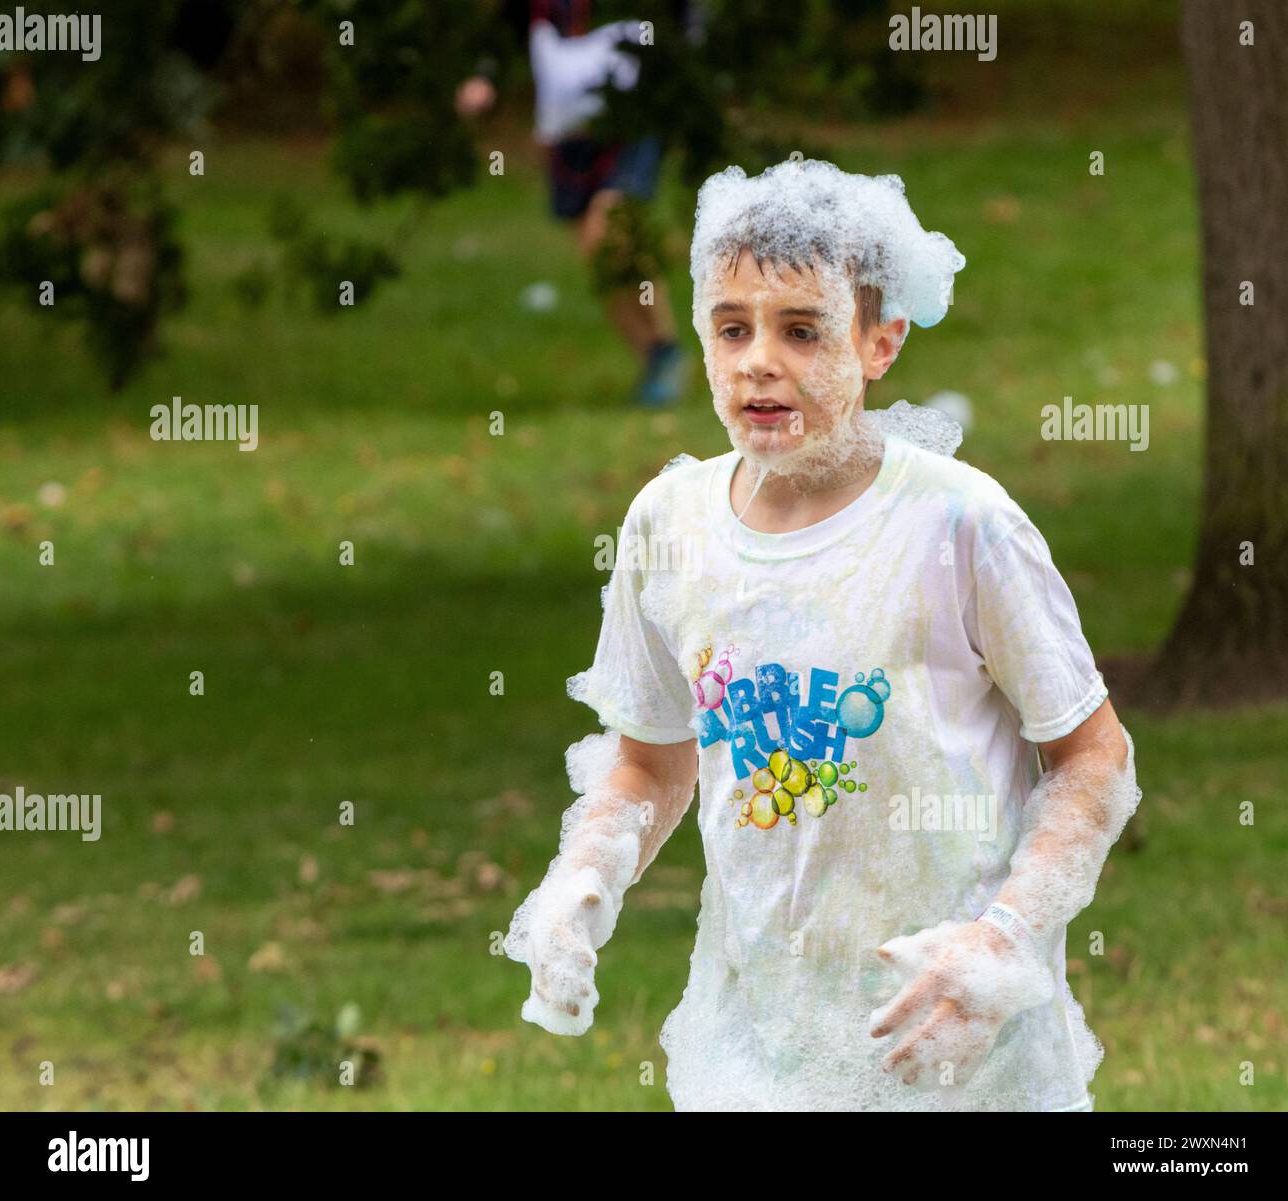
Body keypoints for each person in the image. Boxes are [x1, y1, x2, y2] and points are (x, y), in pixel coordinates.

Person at [503, 159, 1143, 1111]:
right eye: (731, 328)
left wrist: (1005, 939)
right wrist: (581, 877)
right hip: (755, 1054)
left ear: (880, 342)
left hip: (962, 1057)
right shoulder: (666, 524)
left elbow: (1096, 757)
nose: (758, 358)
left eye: (801, 330)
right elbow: (650, 762)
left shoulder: (960, 525)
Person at [456, 0, 699, 406]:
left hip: (628, 127)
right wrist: (483, 79)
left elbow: (684, 24)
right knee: (594, 254)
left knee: (612, 230)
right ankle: (655, 359)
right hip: (566, 136)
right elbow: (499, 38)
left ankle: (666, 343)